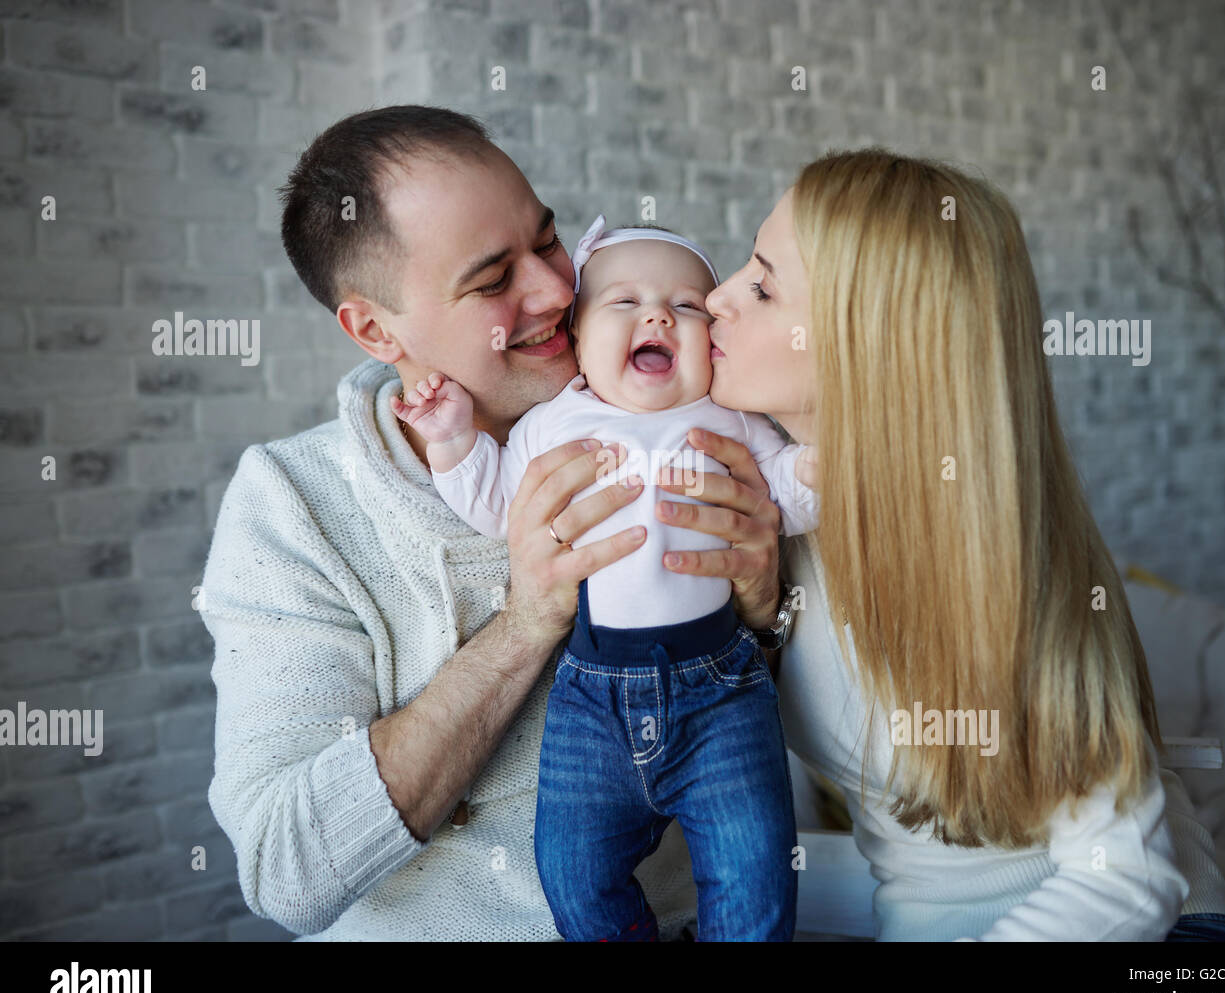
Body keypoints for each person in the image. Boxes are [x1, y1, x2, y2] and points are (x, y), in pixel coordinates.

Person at [199, 106, 792, 940]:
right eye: (492, 280)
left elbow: (791, 752)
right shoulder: (295, 504)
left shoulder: (701, 418)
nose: (556, 289)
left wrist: (766, 613)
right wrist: (523, 624)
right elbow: (284, 871)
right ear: (374, 327)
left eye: (547, 241)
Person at [699, 146, 1225, 941]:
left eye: (763, 284)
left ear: (870, 342)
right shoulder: (773, 504)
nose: (715, 299)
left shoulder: (1004, 574)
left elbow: (1127, 880)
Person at [392, 215, 819, 940]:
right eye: (624, 303)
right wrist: (454, 440)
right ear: (579, 342)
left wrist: (828, 458)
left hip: (723, 689)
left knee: (756, 867)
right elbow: (496, 505)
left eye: (686, 306)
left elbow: (785, 495)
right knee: (573, 870)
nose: (658, 314)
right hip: (591, 698)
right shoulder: (554, 423)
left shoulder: (728, 417)